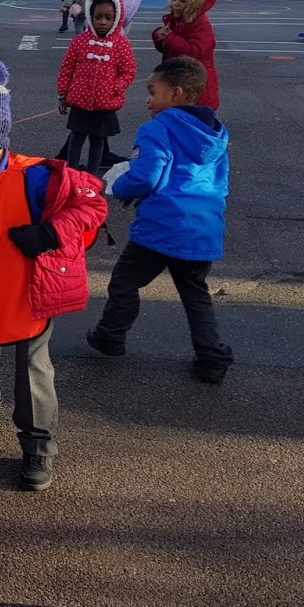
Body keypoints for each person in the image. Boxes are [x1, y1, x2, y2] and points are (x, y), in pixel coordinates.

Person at [0, 58, 108, 492]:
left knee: (32, 373)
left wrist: (48, 232)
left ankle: (38, 446)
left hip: (29, 292)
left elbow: (93, 205)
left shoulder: (36, 178)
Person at [87, 57, 233, 385]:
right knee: (196, 295)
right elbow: (221, 183)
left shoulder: (158, 128)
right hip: (202, 229)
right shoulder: (216, 135)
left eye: (153, 92)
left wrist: (119, 186)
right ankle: (211, 357)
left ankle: (111, 335)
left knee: (125, 282)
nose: (148, 100)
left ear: (176, 94)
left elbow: (148, 175)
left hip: (161, 227)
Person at [57, 0, 136, 176]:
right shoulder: (80, 41)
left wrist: (115, 88)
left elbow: (128, 71)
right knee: (76, 137)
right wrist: (63, 95)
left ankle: (92, 176)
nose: (102, 22)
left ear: (116, 19)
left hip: (104, 103)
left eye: (108, 18)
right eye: (98, 17)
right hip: (80, 101)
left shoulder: (121, 44)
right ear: (90, 17)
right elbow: (67, 68)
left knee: (98, 141)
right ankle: (71, 173)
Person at [152, 0, 220, 109]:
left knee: (192, 119)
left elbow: (196, 51)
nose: (176, 3)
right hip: (178, 77)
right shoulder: (176, 20)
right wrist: (159, 36)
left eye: (183, 0)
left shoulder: (201, 24)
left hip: (196, 83)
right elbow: (167, 49)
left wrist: (170, 38)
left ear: (195, 3)